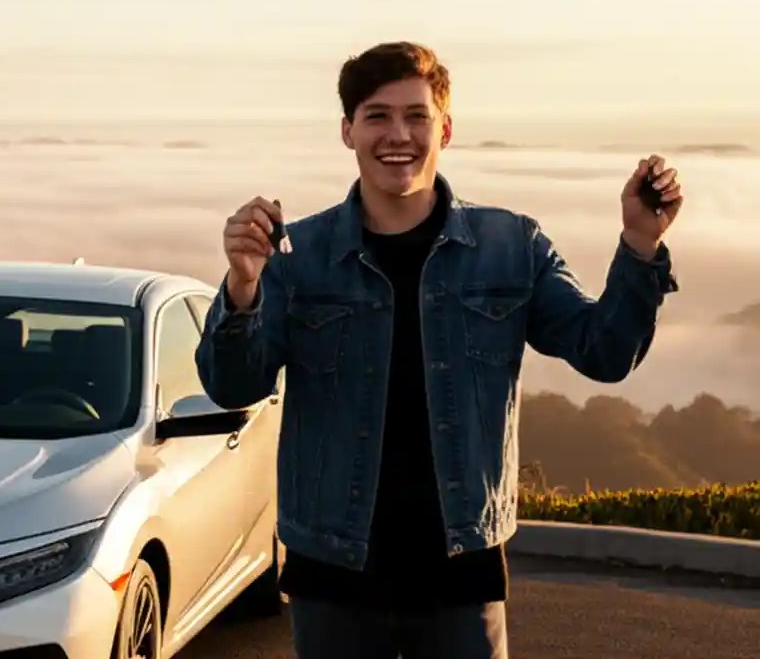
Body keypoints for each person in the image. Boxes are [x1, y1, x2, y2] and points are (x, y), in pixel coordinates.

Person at [194, 41, 683, 658]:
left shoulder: (511, 245)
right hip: (333, 572)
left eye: (416, 116)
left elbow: (604, 353)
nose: (397, 134)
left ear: (444, 129)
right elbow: (233, 386)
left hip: (461, 570)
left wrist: (640, 245)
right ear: (347, 131)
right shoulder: (298, 257)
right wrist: (242, 286)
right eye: (377, 116)